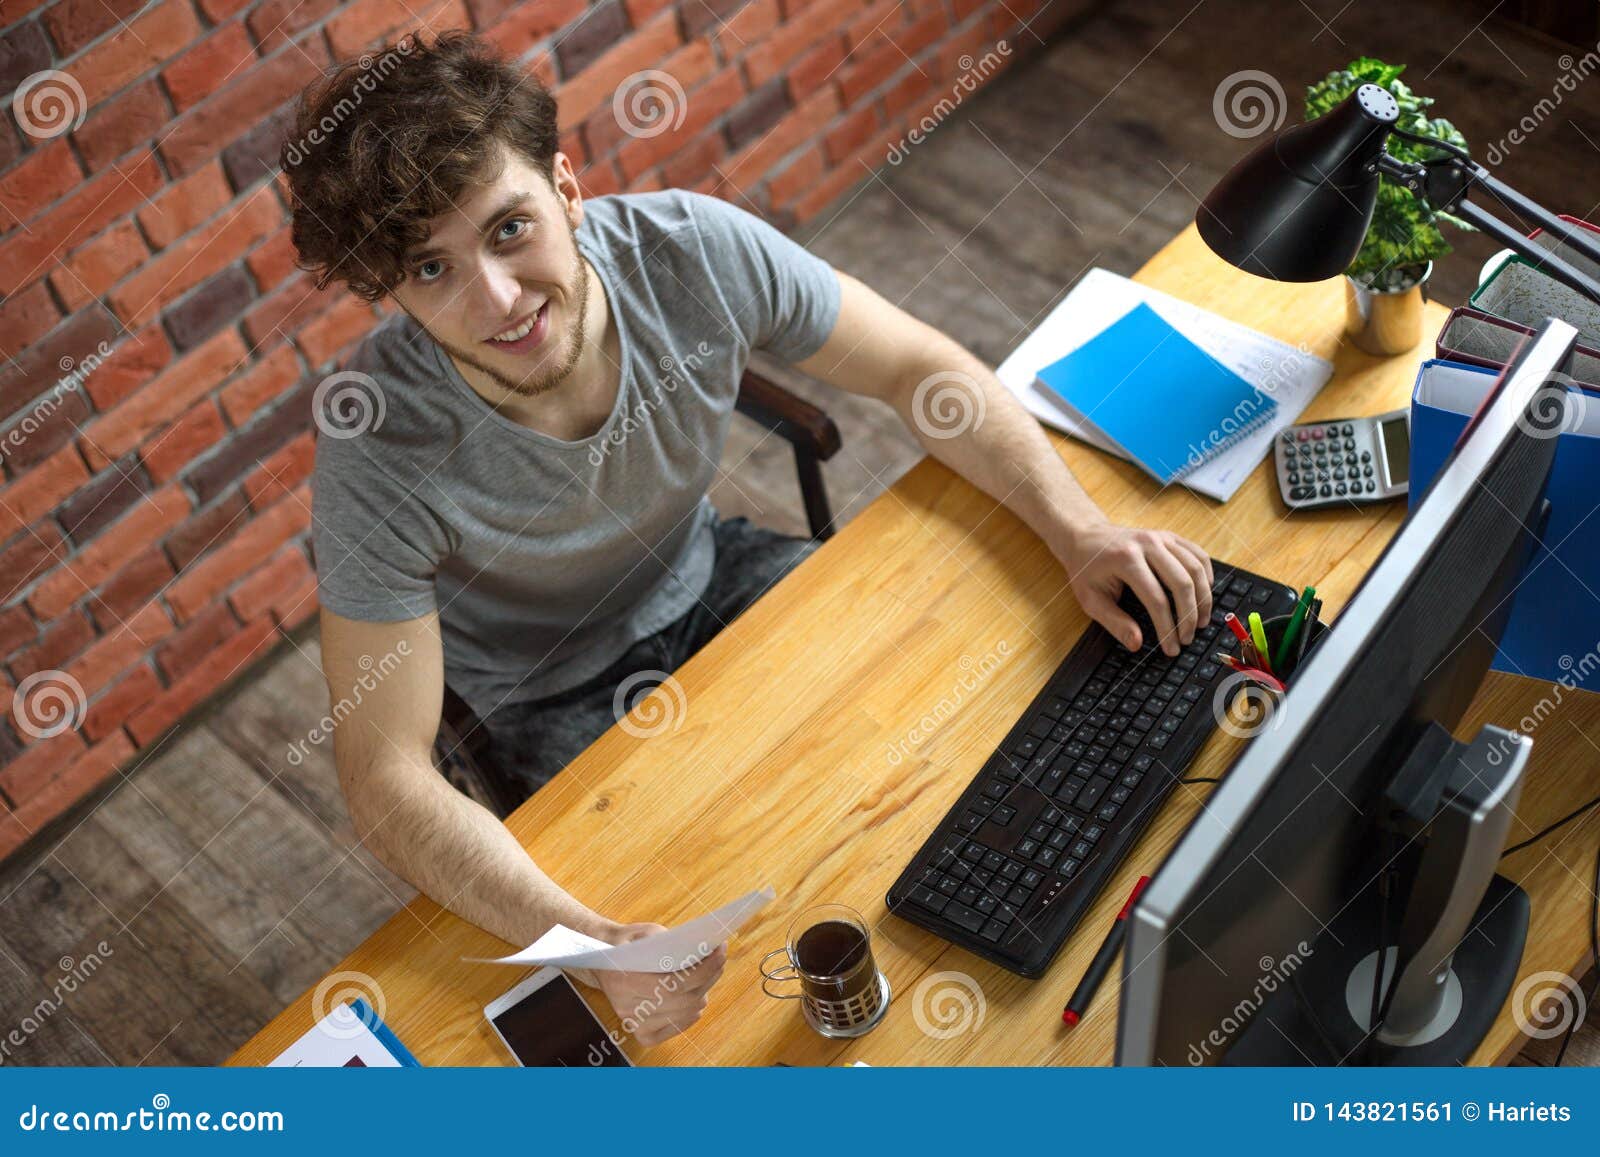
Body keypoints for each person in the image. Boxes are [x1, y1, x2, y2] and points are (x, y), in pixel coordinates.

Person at [285, 30, 1214, 1049]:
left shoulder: (690, 249)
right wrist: (593, 944)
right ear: (395, 293)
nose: (499, 299)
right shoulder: (375, 445)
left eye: (510, 229)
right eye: (431, 268)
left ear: (566, 187)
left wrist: (1078, 528)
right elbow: (384, 777)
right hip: (550, 692)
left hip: (712, 568)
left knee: (963, 743)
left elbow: (920, 369)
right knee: (724, 965)